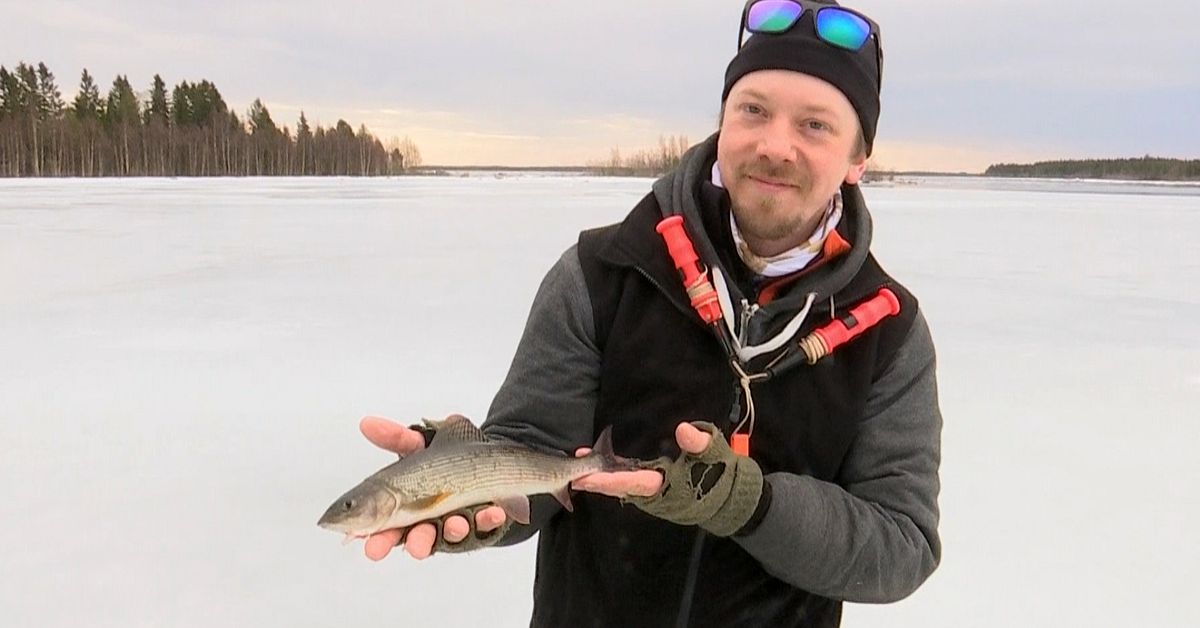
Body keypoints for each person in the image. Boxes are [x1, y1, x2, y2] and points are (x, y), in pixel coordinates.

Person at [359, 1, 941, 625]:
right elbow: (537, 452)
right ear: (722, 119)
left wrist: (752, 506)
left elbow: (901, 545)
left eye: (815, 126)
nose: (775, 145)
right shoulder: (602, 272)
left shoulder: (888, 330)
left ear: (858, 160)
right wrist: (464, 488)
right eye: (754, 110)